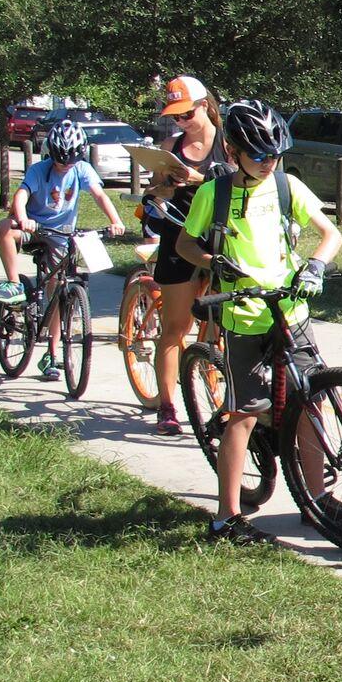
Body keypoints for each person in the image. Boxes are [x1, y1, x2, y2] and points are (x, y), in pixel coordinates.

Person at [175, 101, 342, 546]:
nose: (269, 162)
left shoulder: (287, 186)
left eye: (276, 155)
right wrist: (214, 261)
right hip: (244, 315)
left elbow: (331, 234)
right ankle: (226, 518)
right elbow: (186, 245)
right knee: (244, 414)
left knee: (311, 403)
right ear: (233, 151)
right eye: (259, 155)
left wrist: (315, 266)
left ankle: (316, 500)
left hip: (292, 311)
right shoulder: (215, 194)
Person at [0, 118, 126, 379]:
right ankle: (14, 284)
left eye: (71, 160)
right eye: (60, 160)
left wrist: (116, 221)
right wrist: (23, 219)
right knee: (4, 228)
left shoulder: (82, 169)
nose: (65, 165)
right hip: (35, 228)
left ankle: (52, 355)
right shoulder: (38, 170)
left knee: (57, 294)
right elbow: (21, 196)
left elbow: (99, 195)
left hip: (61, 235)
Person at [143, 76, 228, 435]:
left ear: (205, 105)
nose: (181, 122)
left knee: (224, 327)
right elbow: (155, 190)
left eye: (187, 114)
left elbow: (241, 183)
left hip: (220, 239)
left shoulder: (228, 143)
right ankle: (167, 407)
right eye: (175, 117)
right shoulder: (171, 146)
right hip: (178, 237)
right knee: (175, 327)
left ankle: (224, 403)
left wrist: (197, 178)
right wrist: (164, 186)